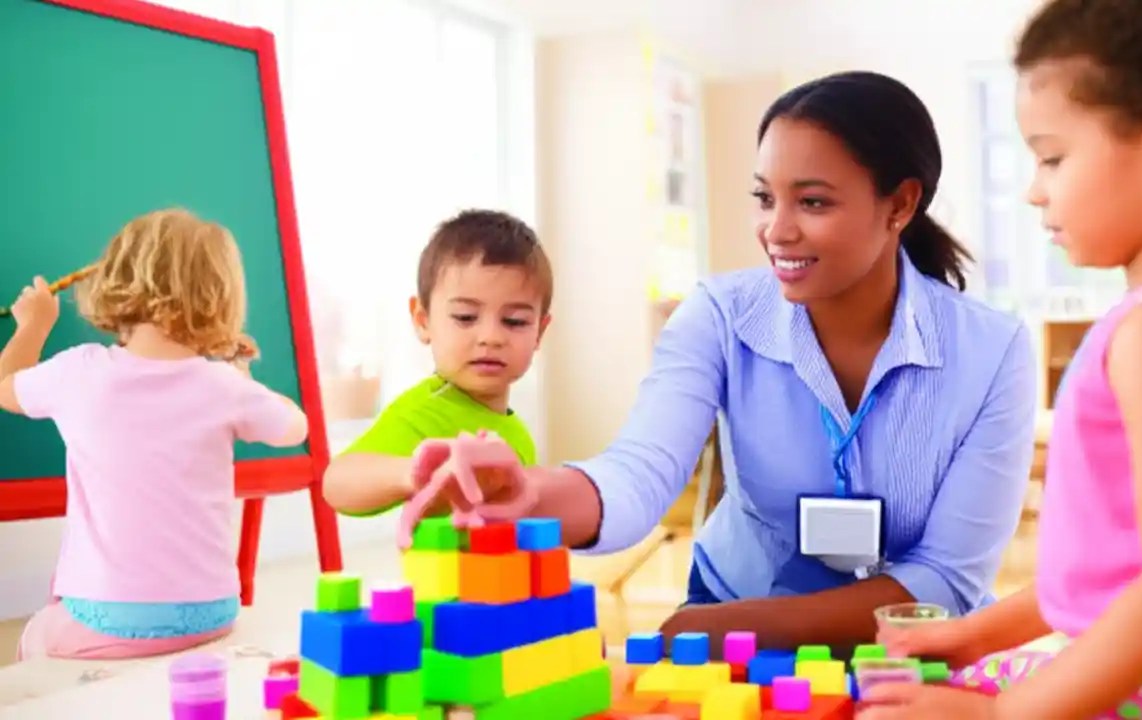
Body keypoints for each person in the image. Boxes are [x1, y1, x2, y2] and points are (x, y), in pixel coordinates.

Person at [429, 71, 1039, 653]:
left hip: (904, 638)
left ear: (900, 204)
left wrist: (740, 626)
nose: (777, 230)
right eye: (763, 197)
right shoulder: (720, 316)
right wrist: (527, 493)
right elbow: (639, 474)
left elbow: (947, 578)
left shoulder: (991, 353)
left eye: (813, 203)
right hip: (730, 606)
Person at [862, 1, 1142, 718]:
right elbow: (1116, 575)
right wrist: (974, 638)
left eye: (1053, 156)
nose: (1034, 189)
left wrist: (1001, 715)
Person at [0, 209, 308, 660]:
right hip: (213, 612)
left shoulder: (79, 372)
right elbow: (293, 427)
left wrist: (35, 324)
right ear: (220, 299)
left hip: (105, 617)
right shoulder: (221, 385)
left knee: (37, 635)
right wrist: (241, 378)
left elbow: (6, 385)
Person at [322, 209, 552, 518]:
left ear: (540, 331)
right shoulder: (424, 412)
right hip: (445, 568)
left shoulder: (518, 433)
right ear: (423, 320)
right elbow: (338, 481)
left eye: (515, 321)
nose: (490, 337)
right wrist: (414, 473)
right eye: (465, 318)